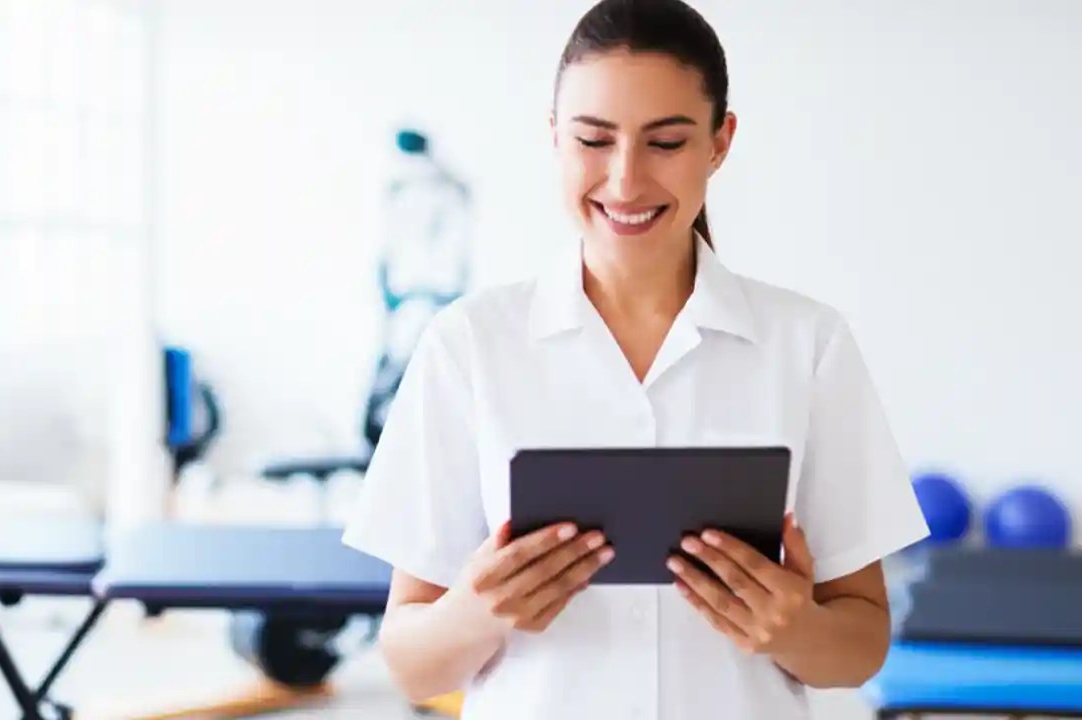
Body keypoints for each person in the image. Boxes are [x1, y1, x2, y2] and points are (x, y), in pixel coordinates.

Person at [341, 0, 930, 717]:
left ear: (719, 143)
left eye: (666, 142)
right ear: (554, 137)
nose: (625, 181)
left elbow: (862, 644)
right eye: (593, 139)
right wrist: (476, 613)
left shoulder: (808, 344)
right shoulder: (468, 345)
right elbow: (409, 665)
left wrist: (795, 628)